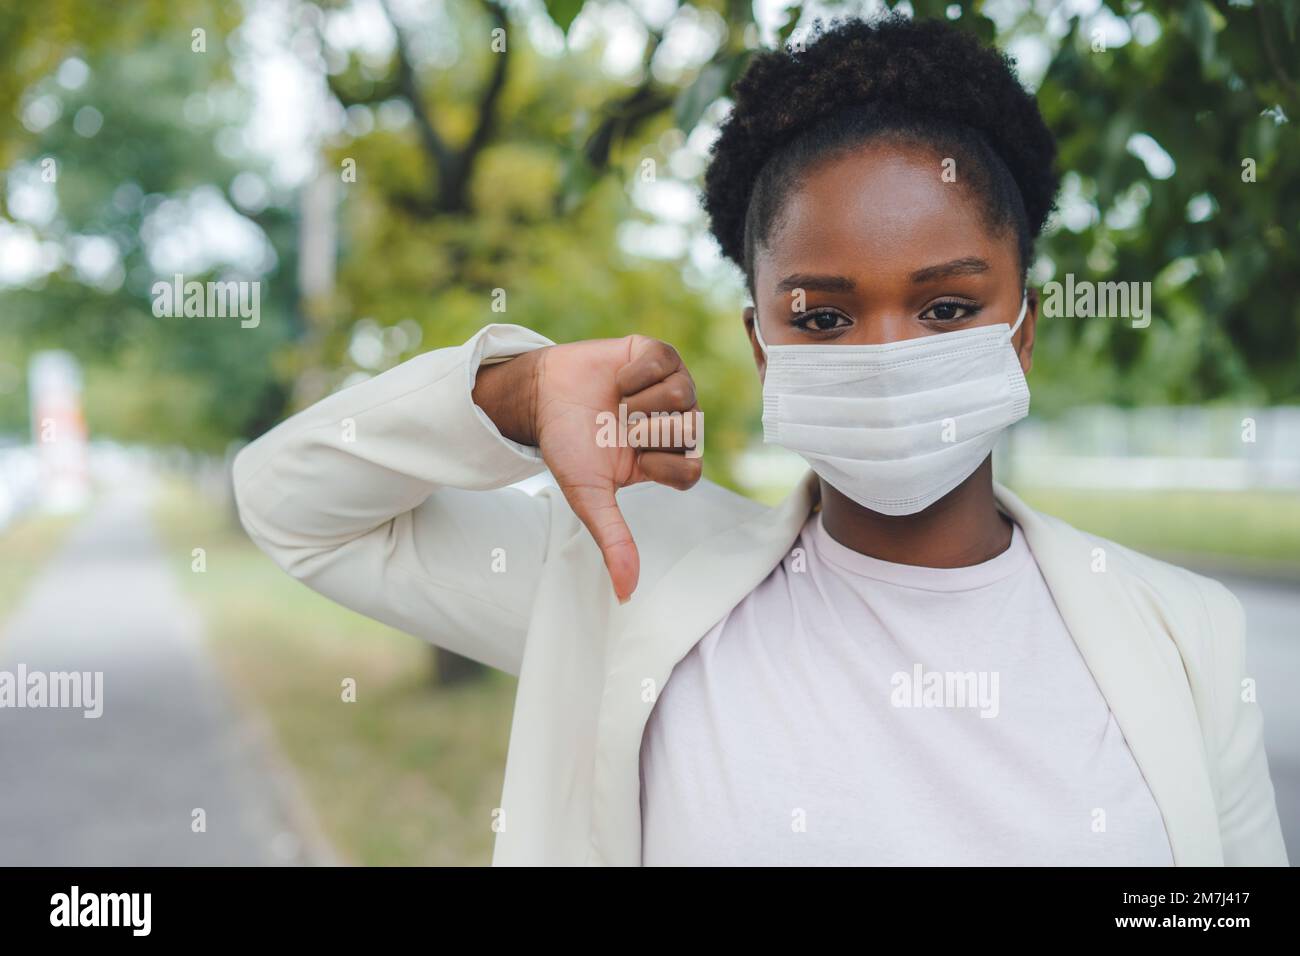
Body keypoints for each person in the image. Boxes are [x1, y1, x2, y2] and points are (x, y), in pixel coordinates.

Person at [232, 15, 1288, 866]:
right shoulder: (627, 580)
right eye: (823, 316)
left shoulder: (1182, 634)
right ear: (764, 342)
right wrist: (513, 390)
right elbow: (294, 507)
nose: (883, 351)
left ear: (1022, 328)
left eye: (946, 308)